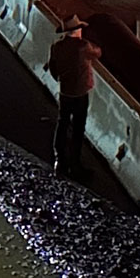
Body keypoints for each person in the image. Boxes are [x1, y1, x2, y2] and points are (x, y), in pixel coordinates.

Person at [45, 16, 101, 177]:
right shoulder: (83, 46)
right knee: (78, 128)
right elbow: (97, 52)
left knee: (62, 124)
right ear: (77, 30)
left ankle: (60, 160)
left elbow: (53, 68)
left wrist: (61, 80)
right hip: (80, 93)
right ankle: (75, 164)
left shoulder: (57, 47)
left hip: (65, 91)